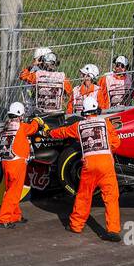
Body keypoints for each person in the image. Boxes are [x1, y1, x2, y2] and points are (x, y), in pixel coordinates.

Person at [44, 97, 122, 241]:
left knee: (84, 196)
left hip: (89, 164)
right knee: (111, 197)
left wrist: (49, 133)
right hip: (106, 163)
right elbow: (116, 142)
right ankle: (113, 230)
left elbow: (63, 132)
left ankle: (76, 225)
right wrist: (107, 150)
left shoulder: (79, 126)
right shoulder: (106, 123)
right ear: (96, 110)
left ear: (84, 112)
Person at [0, 102, 41, 228]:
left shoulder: (6, 126)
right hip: (17, 163)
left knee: (11, 190)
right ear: (20, 115)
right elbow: (34, 128)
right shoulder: (22, 126)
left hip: (6, 162)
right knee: (13, 192)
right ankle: (3, 218)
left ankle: (15, 215)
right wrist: (37, 120)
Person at [20, 49, 69, 116]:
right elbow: (69, 92)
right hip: (56, 111)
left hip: (40, 110)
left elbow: (22, 75)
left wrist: (32, 65)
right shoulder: (61, 76)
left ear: (43, 62)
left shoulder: (38, 75)